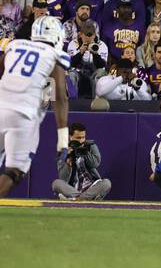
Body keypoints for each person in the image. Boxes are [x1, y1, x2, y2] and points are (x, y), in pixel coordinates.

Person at [0, 16, 70, 198]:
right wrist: (63, 138)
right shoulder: (54, 55)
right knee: (14, 171)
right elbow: (60, 97)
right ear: (57, 35)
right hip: (22, 114)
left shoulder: (14, 46)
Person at [51, 122, 112, 201]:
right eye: (78, 138)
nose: (81, 141)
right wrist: (68, 163)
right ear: (70, 137)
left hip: (92, 187)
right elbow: (63, 178)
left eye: (83, 137)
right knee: (56, 183)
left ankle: (76, 199)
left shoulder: (91, 146)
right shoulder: (64, 151)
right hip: (73, 189)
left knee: (107, 183)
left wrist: (85, 152)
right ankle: (84, 198)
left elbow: (95, 164)